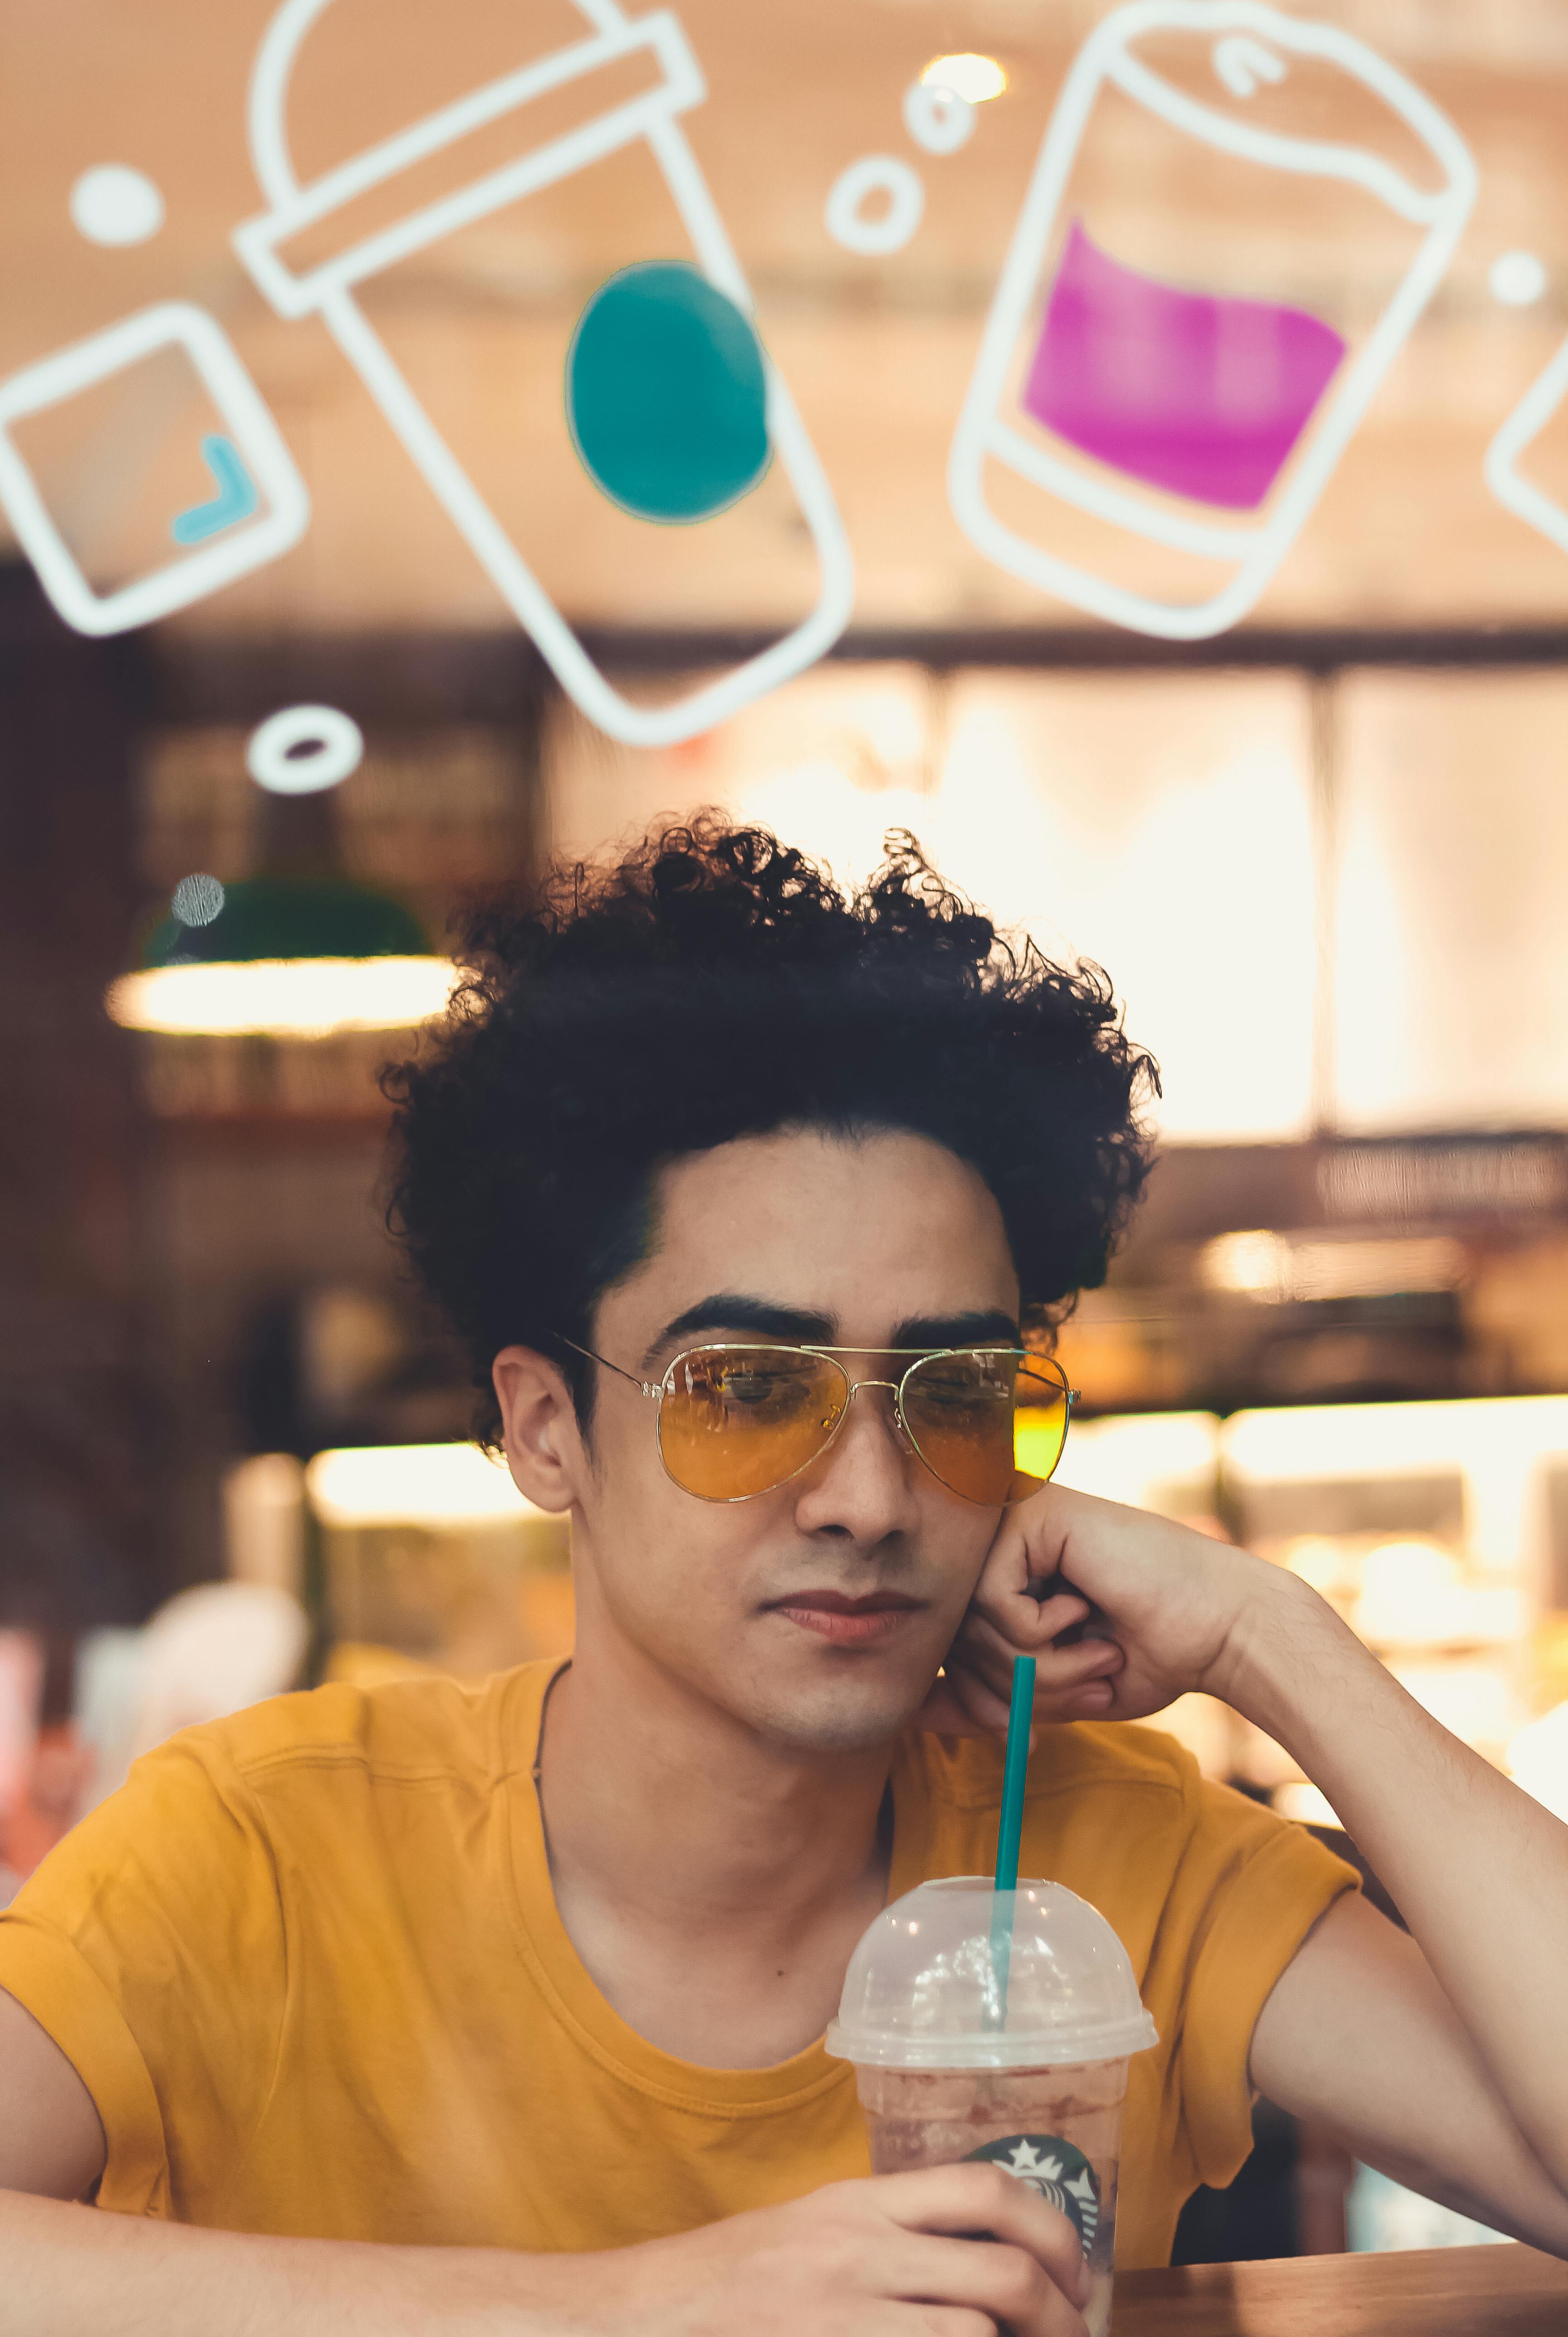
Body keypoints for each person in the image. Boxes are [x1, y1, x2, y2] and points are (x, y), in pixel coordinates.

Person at [2, 818, 1566, 2337]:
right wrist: (639, 2308)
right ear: (546, 1431)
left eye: (954, 1393)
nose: (873, 1499)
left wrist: (1272, 1635)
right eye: (749, 1388)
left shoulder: (1108, 1859)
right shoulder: (260, 1859)